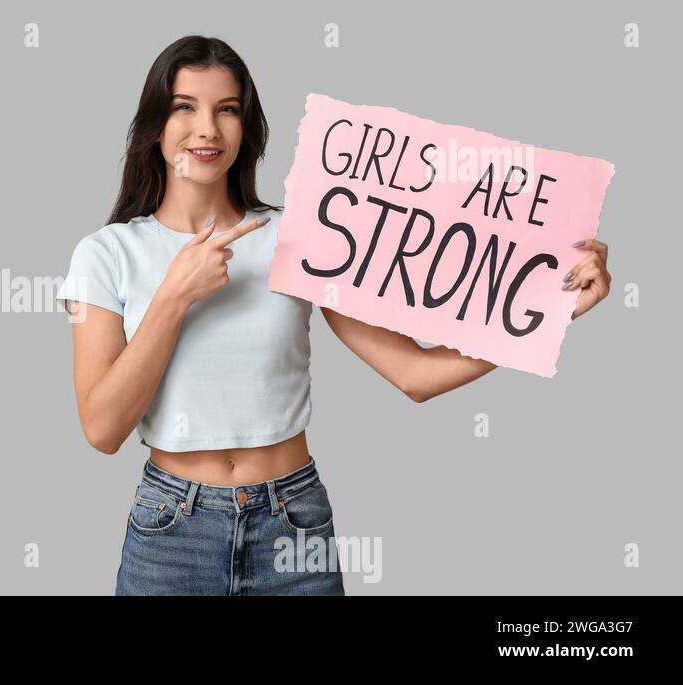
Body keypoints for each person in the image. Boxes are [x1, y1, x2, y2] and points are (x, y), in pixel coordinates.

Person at [53, 35, 612, 596]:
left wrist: (550, 310)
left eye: (227, 109)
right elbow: (102, 429)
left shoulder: (298, 237)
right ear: (156, 123)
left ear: (246, 126)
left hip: (292, 523)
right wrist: (174, 296)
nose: (207, 129)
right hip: (171, 530)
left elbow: (414, 374)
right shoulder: (105, 254)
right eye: (185, 107)